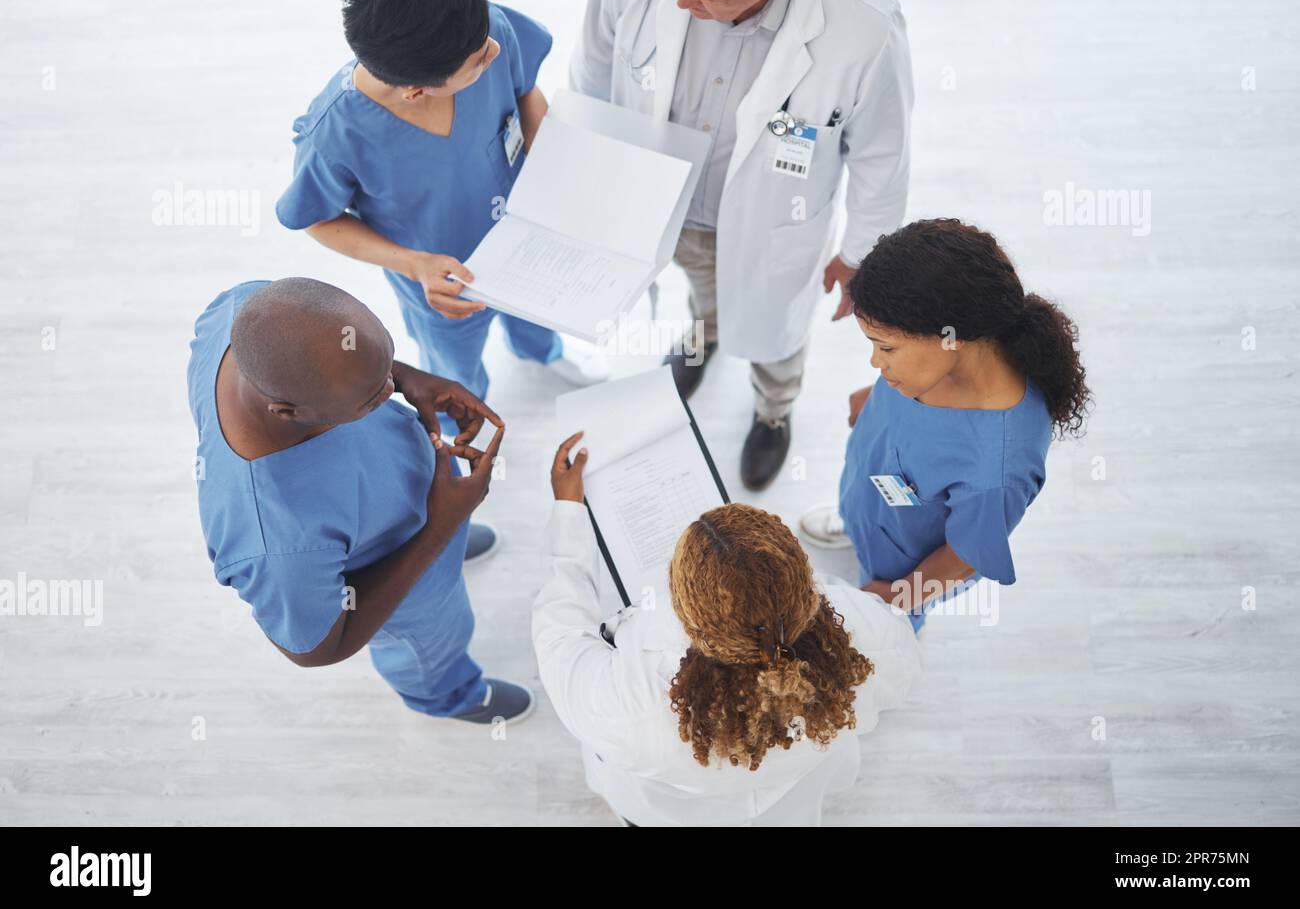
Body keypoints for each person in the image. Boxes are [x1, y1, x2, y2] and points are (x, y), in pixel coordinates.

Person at [570, 0, 914, 490]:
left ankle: (773, 411)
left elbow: (882, 157)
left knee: (777, 329)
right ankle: (703, 341)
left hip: (773, 225)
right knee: (702, 290)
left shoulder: (866, 27)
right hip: (669, 202)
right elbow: (593, 65)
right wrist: (596, 175)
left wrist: (863, 253)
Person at [276, 0, 608, 561]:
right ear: (418, 90)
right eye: (478, 61)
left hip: (527, 237)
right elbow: (318, 219)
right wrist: (414, 263)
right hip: (446, 286)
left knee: (537, 317)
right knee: (459, 373)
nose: (492, 52)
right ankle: (467, 428)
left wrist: (552, 161)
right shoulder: (338, 133)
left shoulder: (482, 32)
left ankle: (543, 353)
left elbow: (524, 88)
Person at [186, 277, 532, 724]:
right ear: (289, 411)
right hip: (403, 586)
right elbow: (317, 649)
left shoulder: (241, 309)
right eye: (372, 398)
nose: (391, 391)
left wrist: (407, 377)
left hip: (420, 505)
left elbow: (341, 357)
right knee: (435, 644)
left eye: (387, 369)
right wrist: (439, 526)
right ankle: (451, 696)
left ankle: (446, 544)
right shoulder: (276, 541)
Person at [532, 431, 921, 826]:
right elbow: (899, 672)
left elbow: (560, 637)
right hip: (793, 805)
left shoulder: (623, 702)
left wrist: (567, 511)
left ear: (684, 607)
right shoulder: (868, 639)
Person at [800, 219, 1092, 633]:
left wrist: (898, 595)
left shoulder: (998, 469)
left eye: (885, 348)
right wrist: (875, 399)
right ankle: (855, 530)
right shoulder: (938, 362)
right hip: (872, 495)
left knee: (876, 631)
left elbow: (961, 558)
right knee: (858, 510)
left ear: (950, 337)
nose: (875, 363)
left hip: (903, 565)